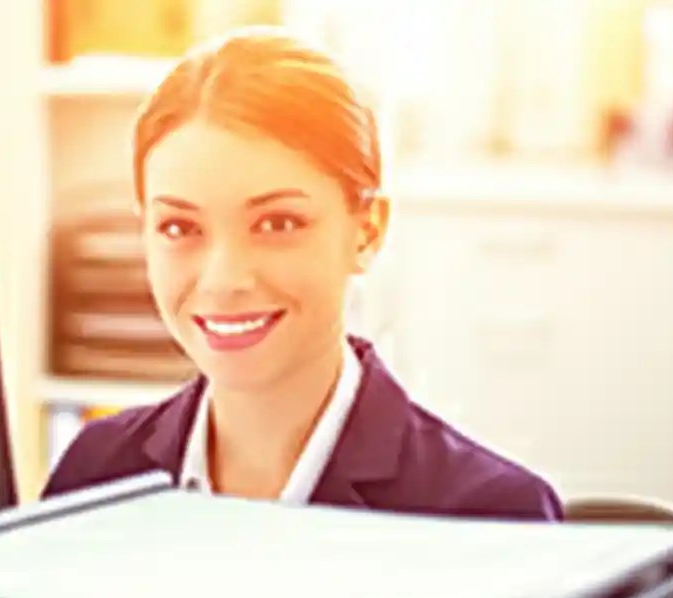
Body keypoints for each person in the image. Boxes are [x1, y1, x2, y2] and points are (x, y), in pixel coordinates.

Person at [44, 28, 562, 520]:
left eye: (276, 223)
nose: (224, 279)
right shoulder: (94, 474)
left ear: (366, 231)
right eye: (179, 227)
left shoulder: (488, 515)